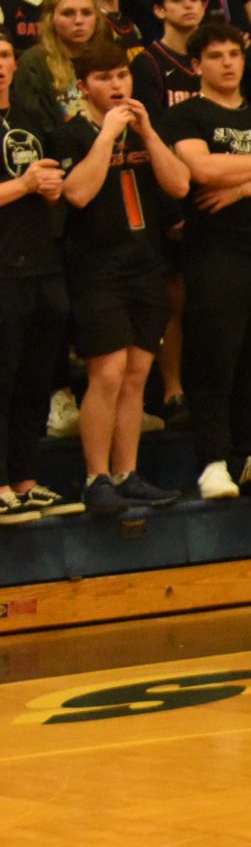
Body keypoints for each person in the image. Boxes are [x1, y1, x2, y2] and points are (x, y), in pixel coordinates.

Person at [164, 22, 251, 502]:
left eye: (234, 54)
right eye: (217, 56)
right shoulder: (188, 116)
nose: (228, 63)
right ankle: (212, 461)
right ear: (197, 64)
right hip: (216, 255)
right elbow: (202, 169)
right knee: (216, 360)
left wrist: (244, 184)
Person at [52, 46, 190, 516]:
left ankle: (127, 473)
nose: (117, 86)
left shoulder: (145, 128)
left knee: (136, 375)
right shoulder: (69, 134)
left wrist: (149, 134)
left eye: (122, 77)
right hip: (96, 269)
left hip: (145, 264)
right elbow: (77, 192)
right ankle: (96, 478)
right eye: (105, 78)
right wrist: (106, 138)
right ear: (83, 86)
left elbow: (180, 185)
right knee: (106, 373)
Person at [0, 30, 74, 525]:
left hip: (43, 263)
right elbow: (20, 182)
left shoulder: (28, 118)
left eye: (4, 54)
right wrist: (22, 185)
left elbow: (48, 179)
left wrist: (49, 188)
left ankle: (24, 480)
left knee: (34, 382)